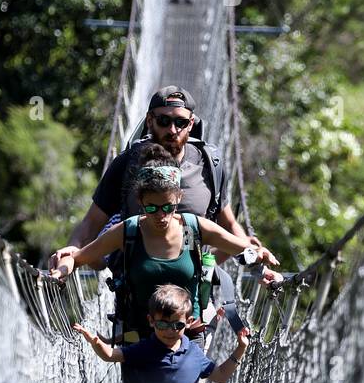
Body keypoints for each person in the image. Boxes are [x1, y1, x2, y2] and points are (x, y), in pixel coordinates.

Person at [48, 85, 279, 311]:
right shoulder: (127, 165)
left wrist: (258, 267)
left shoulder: (210, 165)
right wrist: (71, 250)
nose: (172, 129)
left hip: (191, 300)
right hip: (135, 297)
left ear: (191, 124)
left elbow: (228, 226)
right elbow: (91, 223)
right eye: (163, 121)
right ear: (149, 121)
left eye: (180, 122)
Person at [50, 144, 278, 341]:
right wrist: (62, 269)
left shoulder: (191, 229)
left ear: (179, 198)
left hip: (189, 337)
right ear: (140, 202)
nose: (161, 215)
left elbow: (241, 249)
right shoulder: (129, 231)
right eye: (152, 208)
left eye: (168, 207)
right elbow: (79, 259)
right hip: (138, 340)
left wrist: (260, 259)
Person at [72, 284, 249, 383]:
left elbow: (220, 376)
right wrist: (95, 342)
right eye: (162, 324)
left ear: (188, 323)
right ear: (151, 321)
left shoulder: (194, 351)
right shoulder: (144, 349)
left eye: (177, 325)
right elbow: (110, 355)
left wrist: (240, 348)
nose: (169, 331)